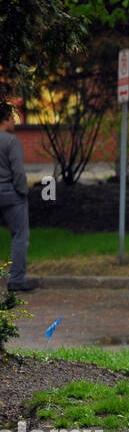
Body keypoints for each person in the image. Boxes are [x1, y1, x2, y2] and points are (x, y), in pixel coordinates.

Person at [0, 103, 36, 292]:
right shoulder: (11, 141)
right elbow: (18, 172)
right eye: (12, 118)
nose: (14, 121)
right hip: (9, 193)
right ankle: (16, 280)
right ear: (5, 120)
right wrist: (23, 192)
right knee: (20, 235)